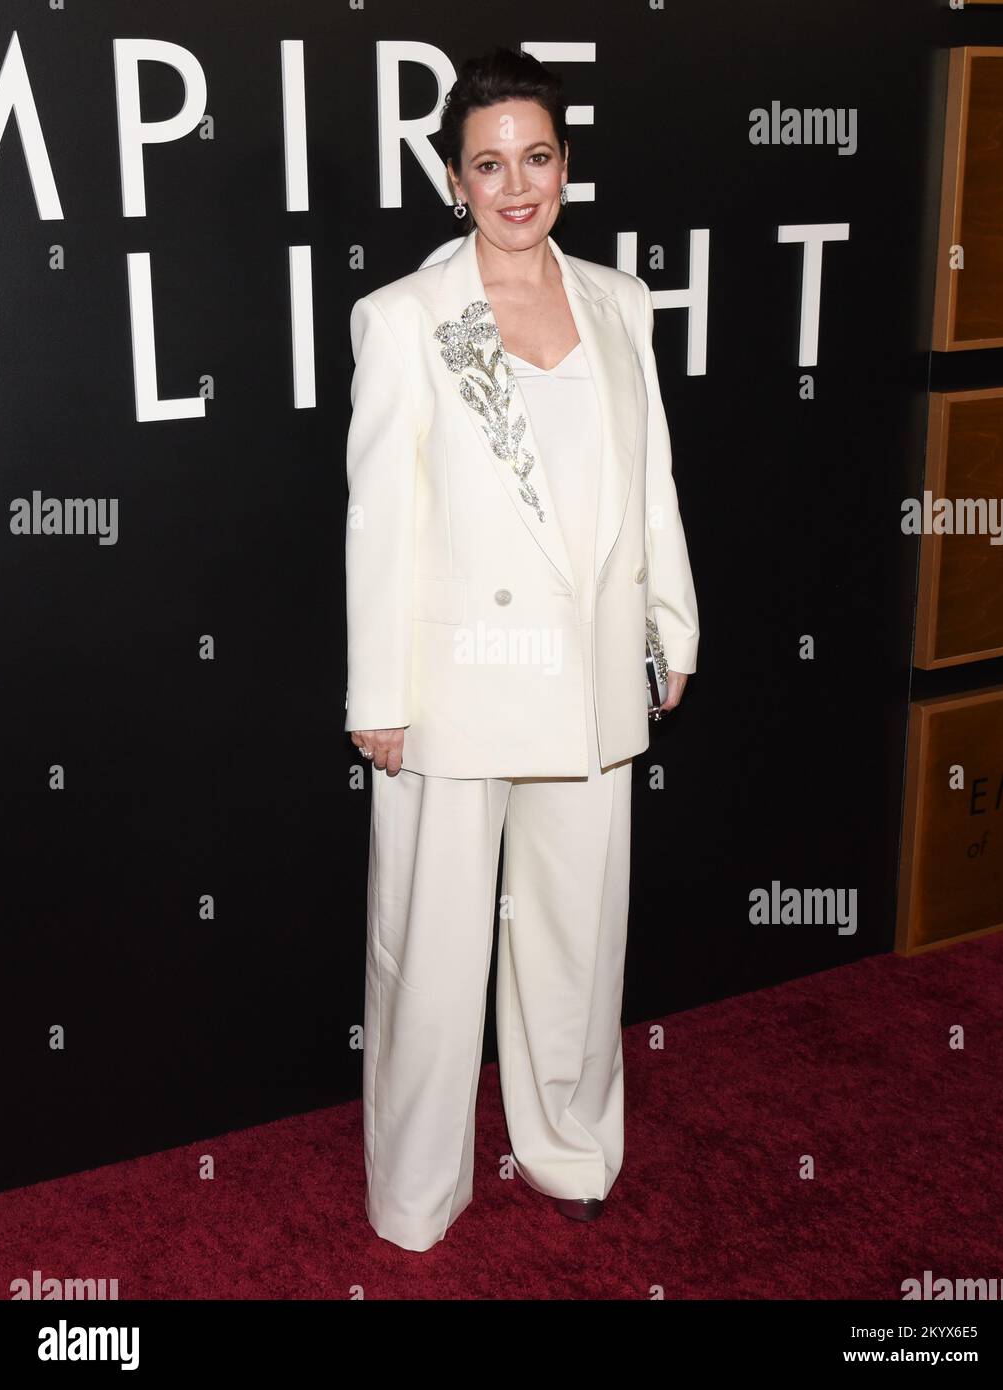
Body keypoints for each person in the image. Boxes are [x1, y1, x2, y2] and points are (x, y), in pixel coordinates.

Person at [344, 46, 699, 1252]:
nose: (513, 185)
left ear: (564, 166)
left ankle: (568, 1144)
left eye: (534, 158)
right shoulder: (400, 319)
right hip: (453, 683)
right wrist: (379, 688)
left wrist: (670, 621)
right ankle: (414, 1189)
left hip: (591, 675)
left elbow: (647, 477)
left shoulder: (618, 301)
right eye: (486, 164)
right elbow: (378, 517)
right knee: (432, 953)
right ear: (453, 178)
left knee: (577, 928)